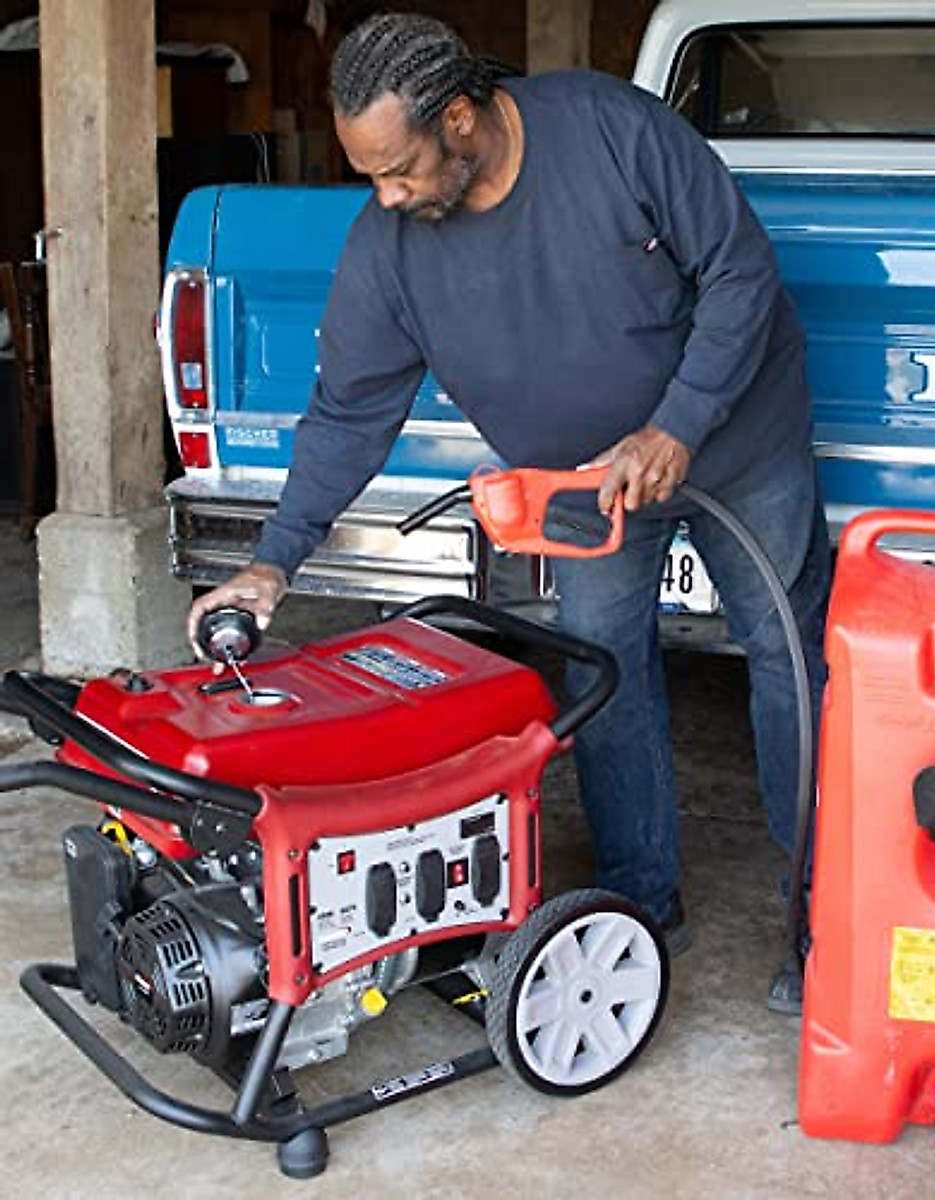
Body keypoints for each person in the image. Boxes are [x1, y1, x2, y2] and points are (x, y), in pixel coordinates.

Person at [187, 11, 831, 1015]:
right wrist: (274, 560)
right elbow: (349, 413)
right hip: (578, 482)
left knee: (788, 659)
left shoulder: (615, 134)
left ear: (460, 119)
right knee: (600, 668)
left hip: (738, 441)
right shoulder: (389, 245)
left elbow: (741, 271)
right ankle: (639, 904)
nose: (386, 196)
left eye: (398, 169)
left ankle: (823, 914)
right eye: (370, 177)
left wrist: (679, 426)